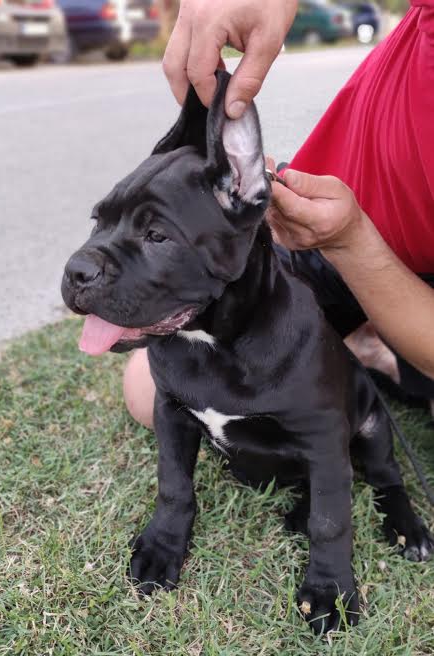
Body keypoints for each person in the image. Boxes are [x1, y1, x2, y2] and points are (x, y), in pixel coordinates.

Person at [123, 0, 434, 428]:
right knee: (148, 390)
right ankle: (366, 338)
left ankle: (386, 354)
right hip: (329, 219)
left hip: (364, 249)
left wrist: (351, 241)